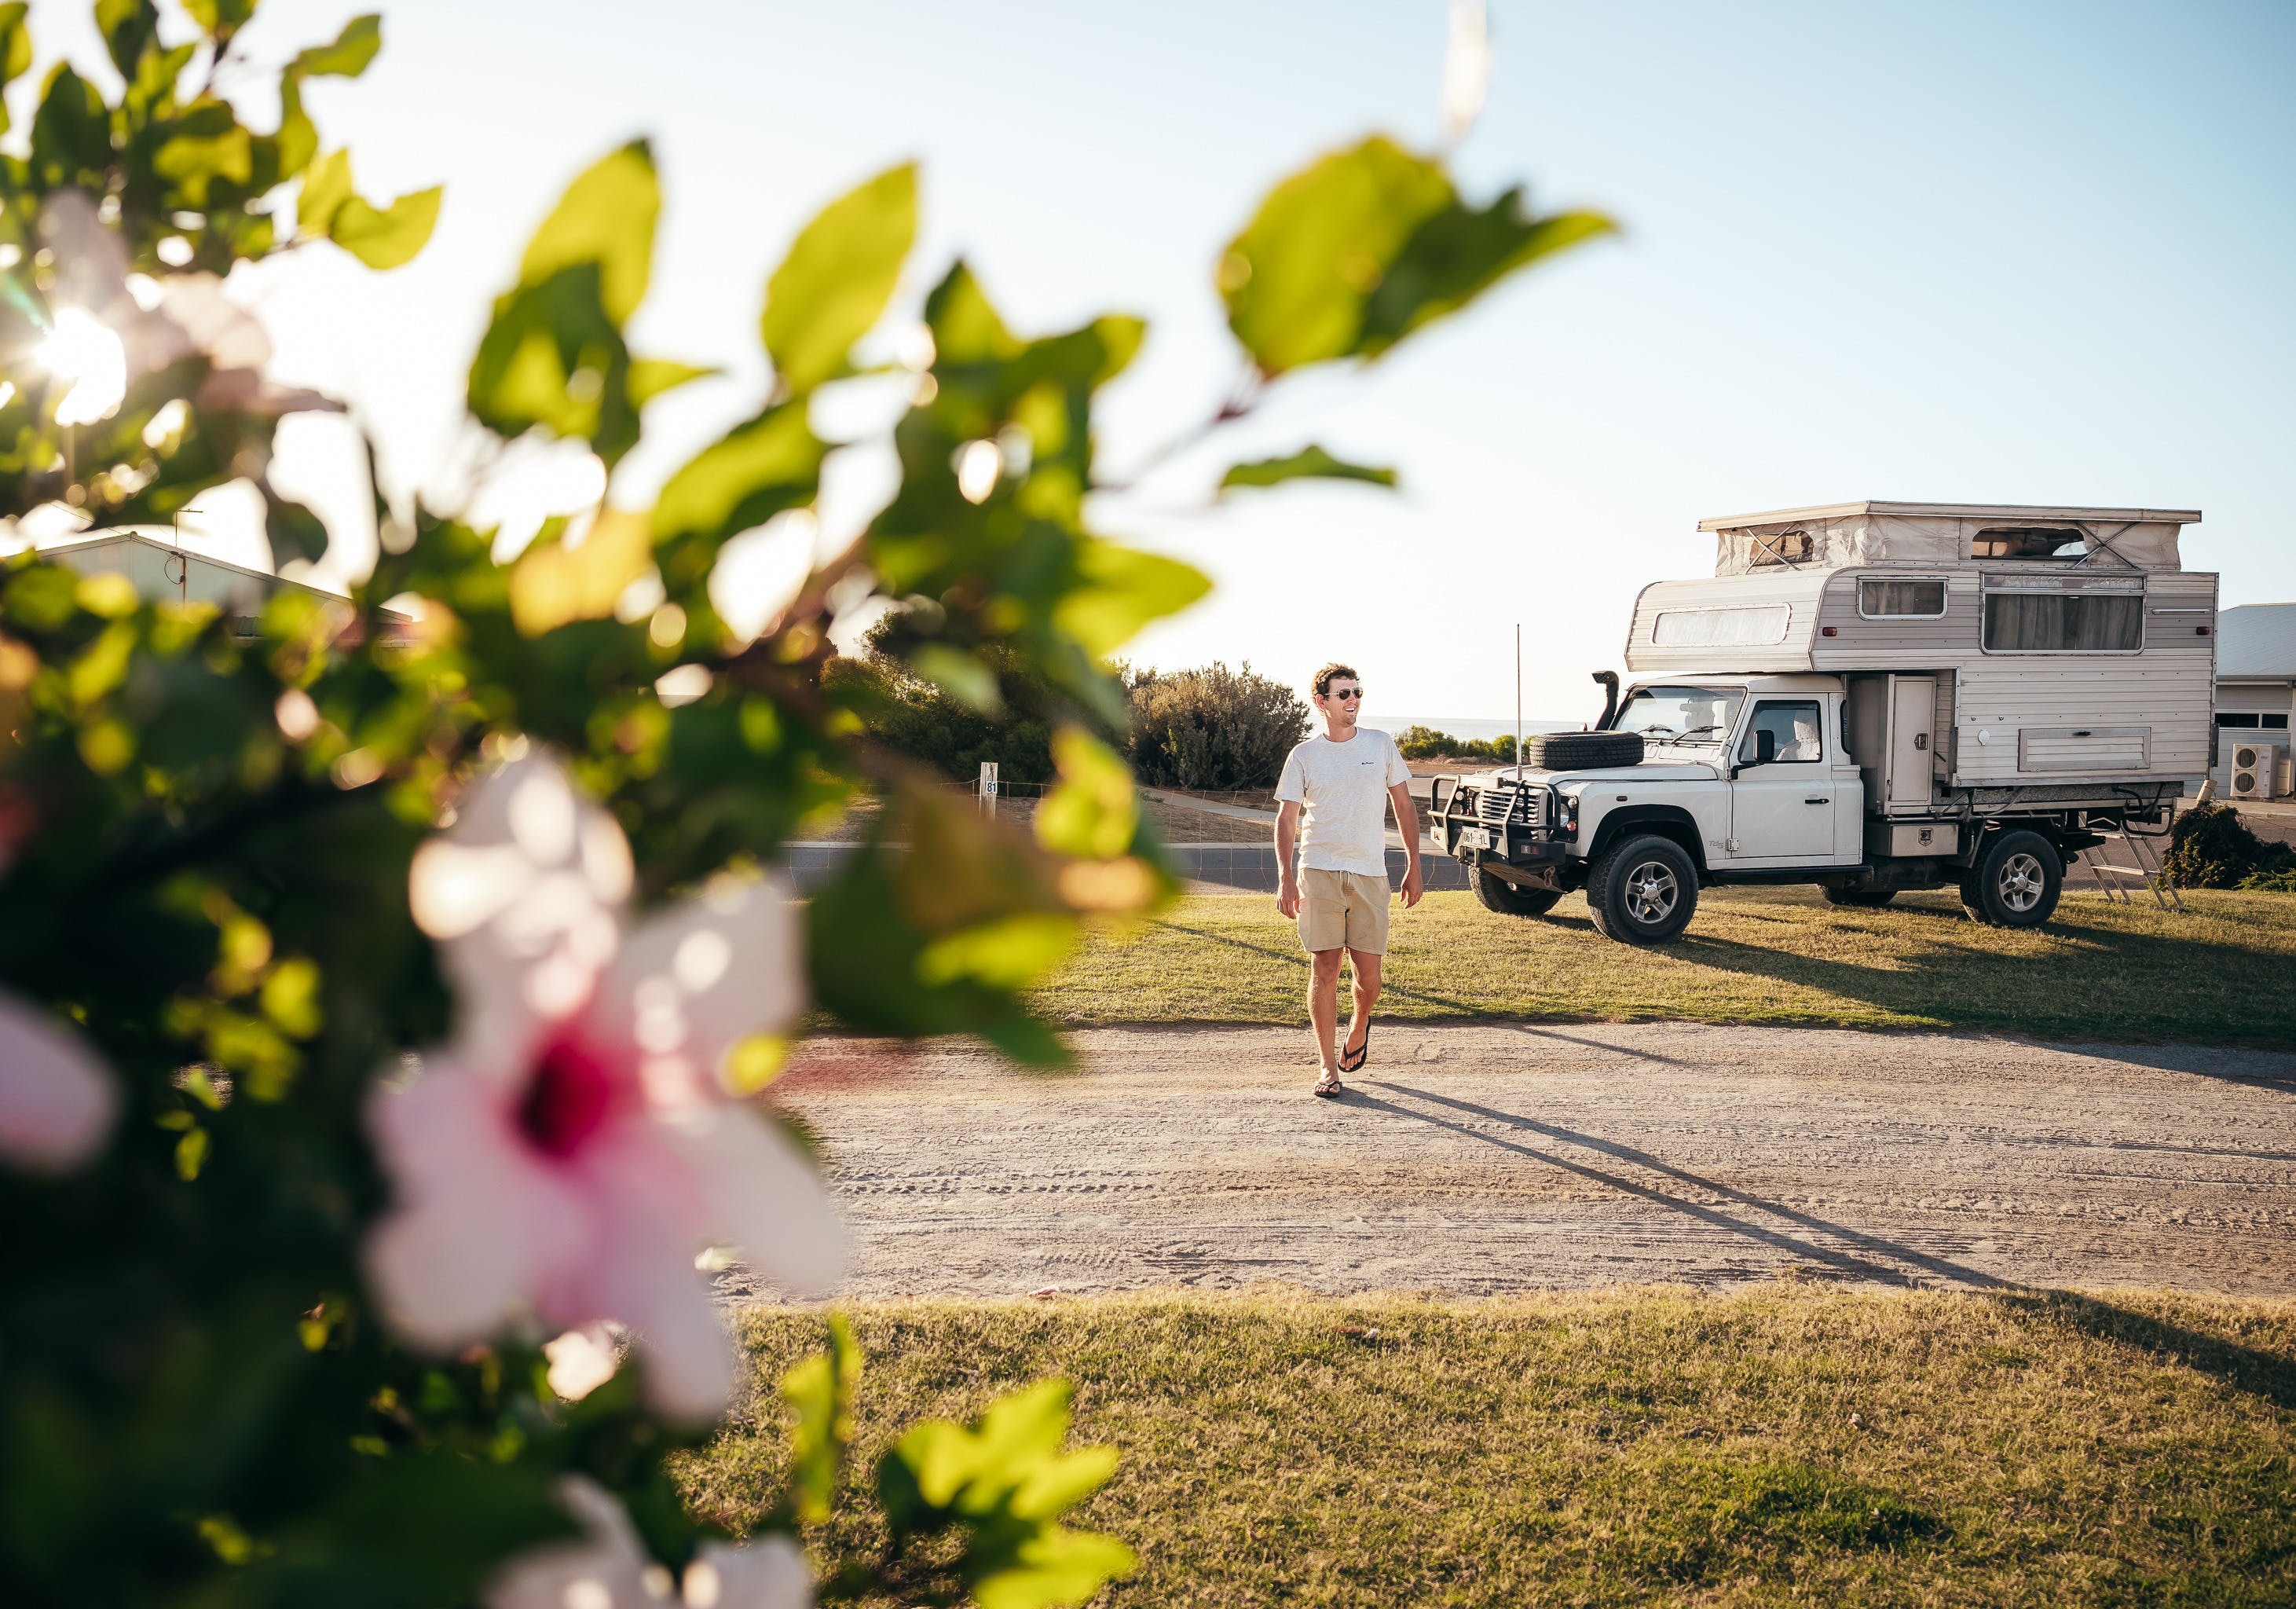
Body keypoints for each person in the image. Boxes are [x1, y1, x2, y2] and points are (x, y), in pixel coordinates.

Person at [1273, 662, 1423, 1098]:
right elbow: (1286, 819)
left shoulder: (1381, 745)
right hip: (1318, 871)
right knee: (1324, 967)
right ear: (1322, 702)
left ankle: (1359, 1024)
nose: (1353, 700)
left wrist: (1415, 863)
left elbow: (1404, 804)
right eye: (1344, 694)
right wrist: (1285, 877)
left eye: (1357, 692)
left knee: (1369, 978)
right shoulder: (1304, 754)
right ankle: (1326, 1068)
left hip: (1370, 875)